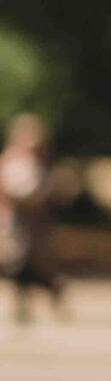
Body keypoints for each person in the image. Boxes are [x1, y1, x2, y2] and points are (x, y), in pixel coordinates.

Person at [0, 114, 65, 324]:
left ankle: (53, 290)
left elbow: (39, 194)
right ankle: (24, 306)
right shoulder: (11, 160)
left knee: (30, 266)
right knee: (16, 265)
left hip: (32, 225)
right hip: (13, 223)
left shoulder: (37, 164)